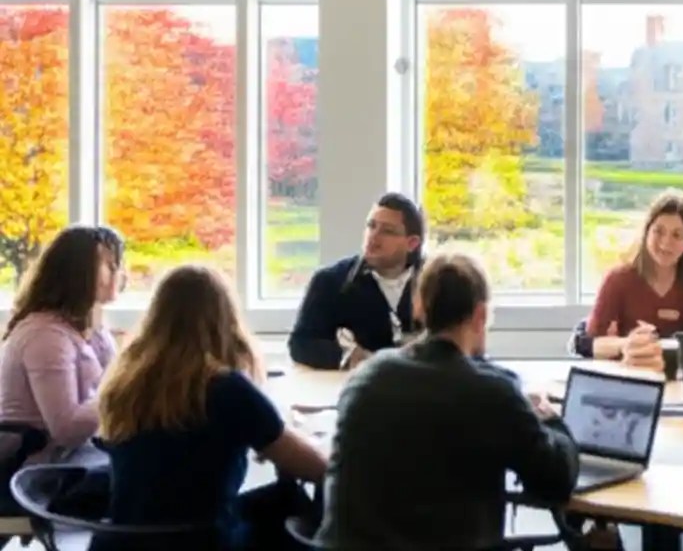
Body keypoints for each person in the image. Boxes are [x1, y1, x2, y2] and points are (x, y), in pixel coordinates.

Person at [316, 254, 578, 550]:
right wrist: (548, 416)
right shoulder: (492, 391)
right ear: (480, 315)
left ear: (419, 307)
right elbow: (556, 482)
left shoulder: (366, 376)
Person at [95, 265, 326, 550]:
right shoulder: (224, 388)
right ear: (225, 319)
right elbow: (315, 467)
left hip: (124, 541)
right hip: (197, 542)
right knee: (292, 504)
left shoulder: (124, 381)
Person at [0, 225, 125, 463]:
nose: (118, 272)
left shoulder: (93, 329)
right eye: (109, 265)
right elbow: (66, 430)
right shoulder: (45, 334)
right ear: (79, 273)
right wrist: (121, 392)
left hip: (76, 457)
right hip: (38, 468)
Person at [575, 192, 683, 370]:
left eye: (677, 235)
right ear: (646, 232)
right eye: (658, 232)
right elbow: (589, 344)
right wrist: (627, 345)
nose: (665, 243)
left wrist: (657, 352)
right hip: (625, 377)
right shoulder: (618, 279)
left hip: (674, 381)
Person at [288, 193, 424, 370]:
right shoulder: (330, 282)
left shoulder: (439, 282)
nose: (373, 237)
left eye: (387, 231)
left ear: (412, 243)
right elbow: (301, 344)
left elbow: (464, 345)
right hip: (356, 387)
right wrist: (350, 356)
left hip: (425, 387)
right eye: (371, 226)